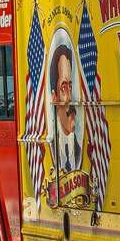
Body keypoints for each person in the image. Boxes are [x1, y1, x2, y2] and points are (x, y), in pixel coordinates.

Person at [49, 44, 82, 172]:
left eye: (70, 87)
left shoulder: (82, 148)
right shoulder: (50, 146)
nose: (69, 98)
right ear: (54, 97)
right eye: (63, 88)